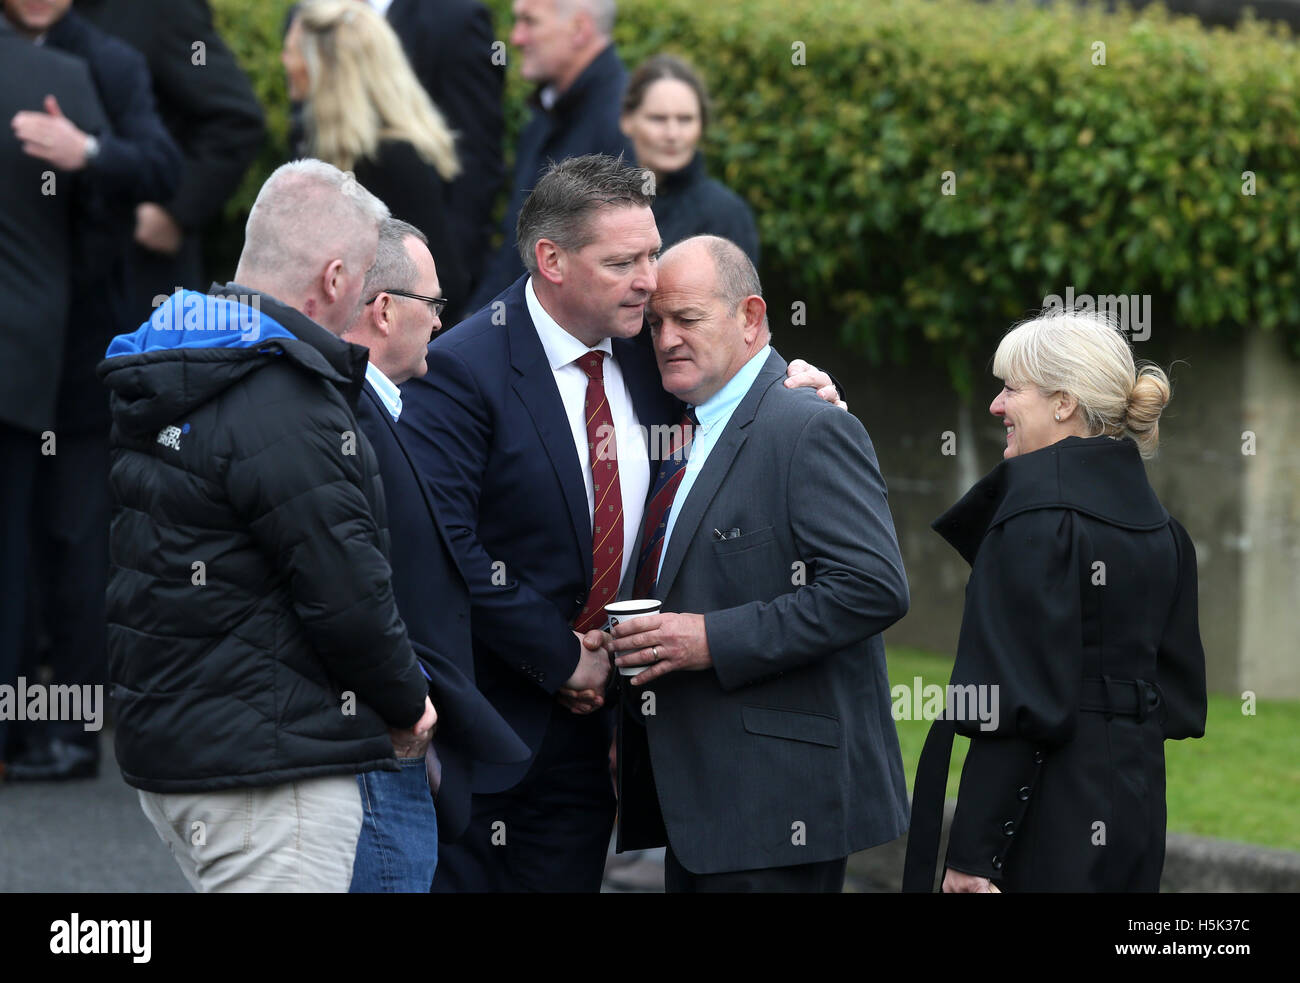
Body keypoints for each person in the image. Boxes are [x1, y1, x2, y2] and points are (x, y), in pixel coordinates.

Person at [399, 154, 845, 892]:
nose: (649, 277)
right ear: (552, 261)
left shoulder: (649, 350)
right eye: (623, 261)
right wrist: (562, 658)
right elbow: (451, 551)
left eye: (651, 252)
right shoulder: (463, 367)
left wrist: (805, 384)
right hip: (488, 726)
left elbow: (742, 383)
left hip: (598, 738)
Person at [96, 159, 435, 893]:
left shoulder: (181, 354)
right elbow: (346, 592)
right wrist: (409, 701)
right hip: (268, 769)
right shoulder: (284, 393)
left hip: (182, 749)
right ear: (338, 276)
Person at [605, 235, 910, 891]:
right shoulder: (693, 428)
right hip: (707, 809)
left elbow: (873, 588)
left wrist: (710, 638)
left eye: (686, 318)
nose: (666, 339)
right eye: (656, 323)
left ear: (750, 316)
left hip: (776, 809)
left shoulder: (809, 422)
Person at [902, 309, 1208, 893]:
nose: (996, 405)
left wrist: (971, 859)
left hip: (1044, 824)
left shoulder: (1033, 524)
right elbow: (1179, 701)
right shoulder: (1166, 532)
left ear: (1063, 402)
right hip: (1136, 814)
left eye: (1011, 389)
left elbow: (1009, 707)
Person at [4, 0, 182, 782]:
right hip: (12, 353)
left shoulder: (107, 62)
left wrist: (88, 150)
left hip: (82, 344)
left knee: (76, 543)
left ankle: (73, 731)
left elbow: (160, 166)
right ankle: (15, 729)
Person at [341, 217, 528, 892]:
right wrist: (409, 701)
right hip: (379, 752)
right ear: (385, 308)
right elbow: (353, 585)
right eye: (434, 305)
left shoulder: (375, 408)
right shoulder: (349, 416)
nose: (443, 325)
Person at [0, 13, 108, 781]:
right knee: (12, 551)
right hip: (25, 347)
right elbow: (104, 233)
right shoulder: (59, 82)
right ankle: (11, 737)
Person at [76, 0, 267, 324]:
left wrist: (177, 209)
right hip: (39, 267)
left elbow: (235, 118)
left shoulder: (164, 8)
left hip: (132, 275)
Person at [283, 0, 468, 320]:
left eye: (293, 51)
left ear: (323, 67)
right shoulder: (324, 150)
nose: (285, 62)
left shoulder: (392, 161)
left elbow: (441, 284)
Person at [468, 0, 634, 311]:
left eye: (530, 22)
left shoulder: (621, 125)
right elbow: (516, 251)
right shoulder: (548, 115)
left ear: (579, 29)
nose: (516, 38)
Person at [381, 0, 504, 309]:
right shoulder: (313, 13)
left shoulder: (455, 17)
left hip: (428, 283)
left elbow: (476, 156)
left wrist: (447, 287)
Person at [621, 54, 759, 266]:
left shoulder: (726, 215)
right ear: (627, 121)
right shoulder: (603, 205)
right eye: (658, 118)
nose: (672, 133)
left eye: (685, 119)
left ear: (701, 126)